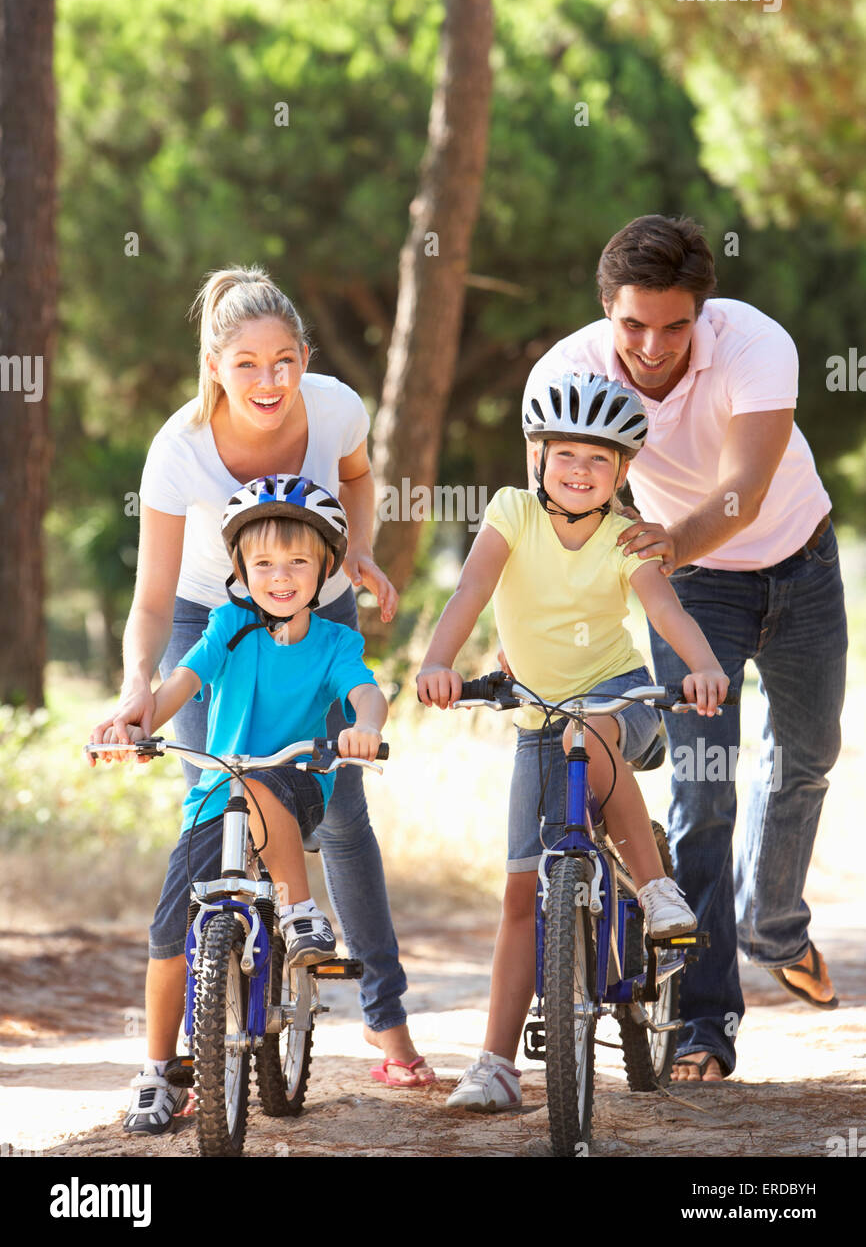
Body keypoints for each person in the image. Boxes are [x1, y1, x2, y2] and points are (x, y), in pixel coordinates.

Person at [89, 267, 433, 1133]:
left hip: (318, 588)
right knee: (215, 793)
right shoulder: (179, 450)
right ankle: (186, 1047)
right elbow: (155, 602)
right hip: (216, 610)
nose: (270, 381)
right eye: (246, 365)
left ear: (307, 360)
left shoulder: (339, 407)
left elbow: (356, 480)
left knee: (342, 815)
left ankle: (384, 1023)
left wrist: (350, 554)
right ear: (213, 366)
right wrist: (137, 698)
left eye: (285, 361)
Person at [524, 215, 847, 1083]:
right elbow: (557, 514)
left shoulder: (754, 344)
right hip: (695, 590)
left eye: (676, 325)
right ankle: (705, 1024)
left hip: (799, 564)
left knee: (809, 756)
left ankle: (772, 924)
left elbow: (740, 495)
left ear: (703, 313)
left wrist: (665, 543)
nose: (656, 345)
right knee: (705, 794)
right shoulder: (568, 372)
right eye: (634, 324)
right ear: (606, 309)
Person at [416, 371, 729, 1113]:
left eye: (599, 460)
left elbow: (664, 609)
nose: (580, 471)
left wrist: (706, 666)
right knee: (520, 893)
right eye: (566, 456)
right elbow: (471, 590)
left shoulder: (628, 536)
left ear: (623, 471)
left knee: (589, 730)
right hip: (536, 715)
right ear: (538, 457)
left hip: (623, 702)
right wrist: (437, 660)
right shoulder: (512, 514)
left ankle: (654, 887)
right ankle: (494, 1064)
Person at [96, 478, 390, 1128]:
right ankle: (156, 1072)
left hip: (296, 782)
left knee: (256, 785)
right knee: (168, 933)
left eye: (297, 563)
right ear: (238, 570)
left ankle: (301, 912)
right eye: (262, 564)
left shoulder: (335, 643)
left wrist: (363, 725)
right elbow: (179, 685)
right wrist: (137, 726)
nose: (279, 577)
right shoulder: (228, 627)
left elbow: (366, 692)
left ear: (325, 569)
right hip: (215, 794)